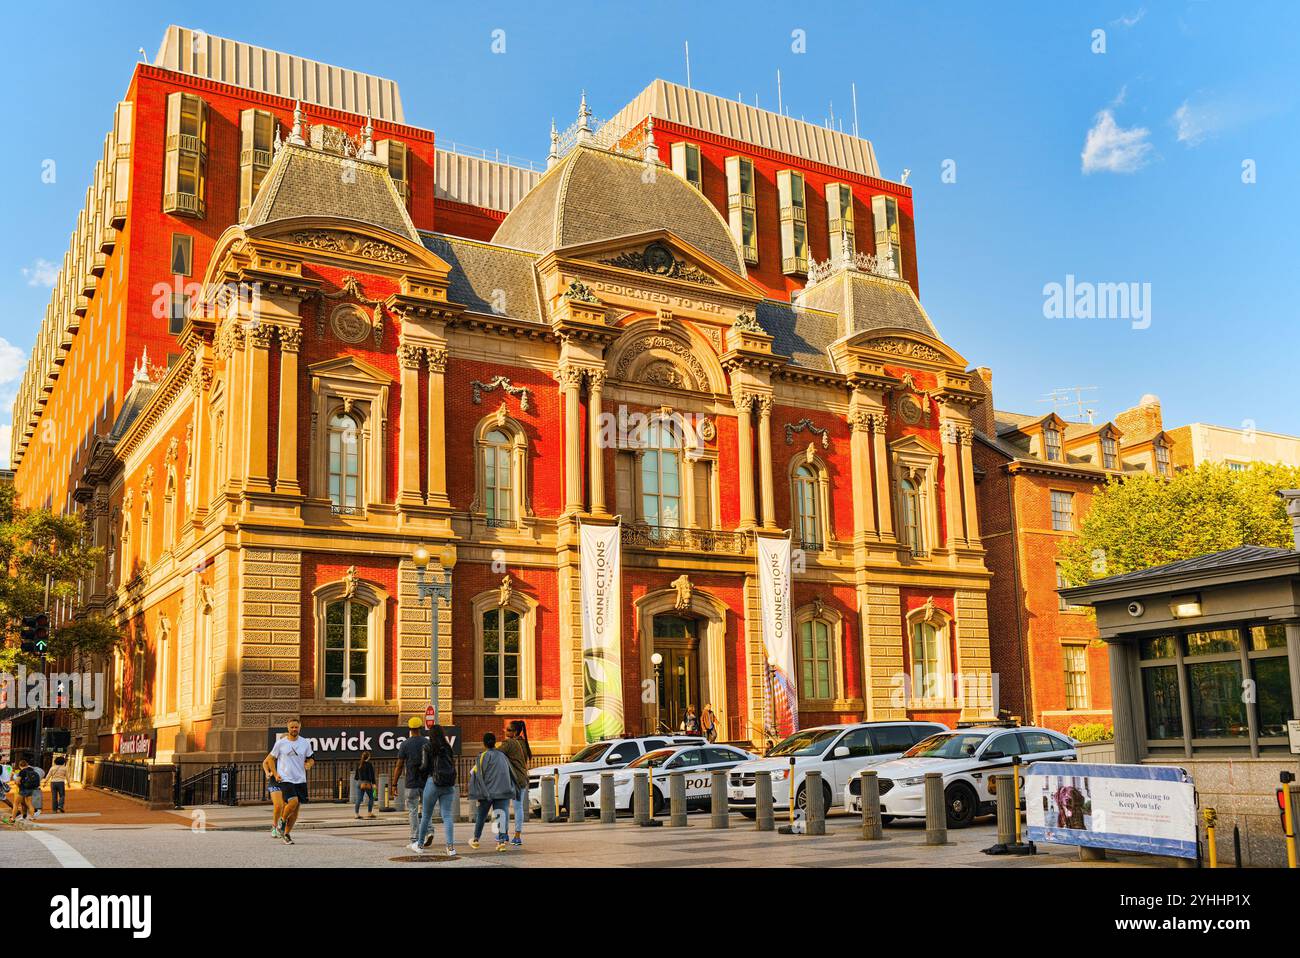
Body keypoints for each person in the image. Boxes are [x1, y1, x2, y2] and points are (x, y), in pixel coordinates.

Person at [262, 719, 314, 845]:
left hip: (300, 779)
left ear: (300, 727)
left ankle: (286, 834)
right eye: (292, 727)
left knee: (295, 811)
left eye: (296, 727)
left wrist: (309, 764)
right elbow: (269, 760)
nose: (294, 729)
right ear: (288, 728)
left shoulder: (305, 743)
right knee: (293, 801)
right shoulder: (281, 743)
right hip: (285, 778)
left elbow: (311, 758)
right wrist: (275, 774)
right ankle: (282, 821)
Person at [412, 725, 457, 856]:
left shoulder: (427, 747)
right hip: (448, 785)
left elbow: (425, 767)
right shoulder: (448, 747)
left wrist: (417, 769)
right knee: (447, 816)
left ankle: (420, 844)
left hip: (433, 783)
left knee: (426, 815)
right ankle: (450, 848)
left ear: (430, 735)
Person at [467, 732, 514, 852]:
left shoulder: (483, 756)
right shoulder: (503, 756)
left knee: (481, 816)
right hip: (503, 792)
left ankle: (476, 840)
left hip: (487, 793)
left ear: (484, 743)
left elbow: (476, 773)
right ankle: (501, 842)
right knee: (501, 817)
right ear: (495, 742)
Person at [391, 718, 429, 847]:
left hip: (411, 782)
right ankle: (429, 831)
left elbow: (399, 765)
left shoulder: (405, 744)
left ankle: (414, 838)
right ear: (420, 727)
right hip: (426, 782)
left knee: (412, 810)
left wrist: (394, 784)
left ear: (410, 729)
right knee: (426, 809)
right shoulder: (427, 743)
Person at [497, 720, 531, 846]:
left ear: (515, 732)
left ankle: (504, 833)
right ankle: (517, 836)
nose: (506, 731)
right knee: (518, 807)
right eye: (506, 729)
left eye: (509, 730)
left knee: (504, 806)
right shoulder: (523, 743)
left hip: (512, 780)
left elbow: (495, 753)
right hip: (522, 779)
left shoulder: (509, 743)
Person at [353, 750, 377, 819]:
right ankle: (369, 813)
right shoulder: (369, 764)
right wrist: (374, 783)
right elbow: (371, 775)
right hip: (367, 783)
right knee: (371, 797)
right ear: (368, 757)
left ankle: (356, 814)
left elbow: (356, 777)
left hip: (359, 783)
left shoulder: (359, 764)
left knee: (359, 799)